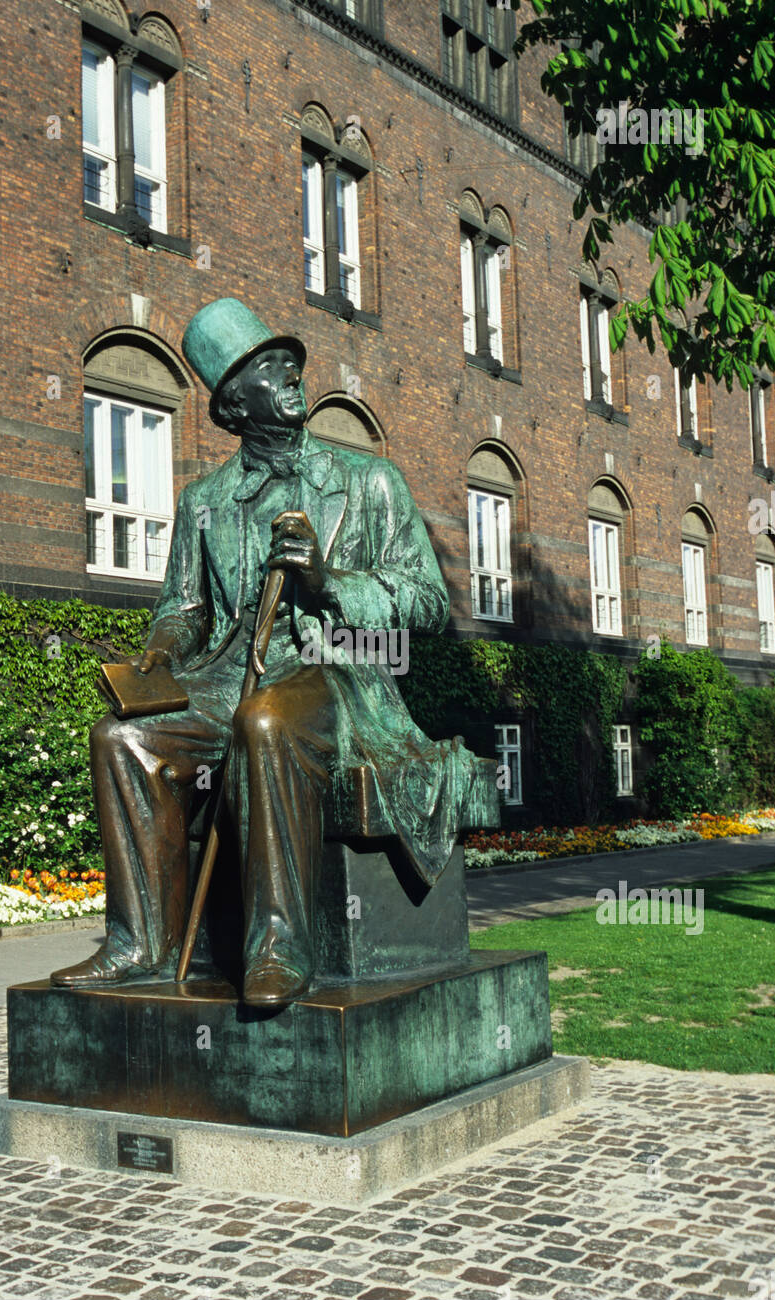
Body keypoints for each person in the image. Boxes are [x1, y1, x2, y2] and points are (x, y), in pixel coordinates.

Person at [51, 298, 491, 1006]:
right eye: (269, 367)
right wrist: (160, 654)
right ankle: (142, 947)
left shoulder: (370, 481)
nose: (292, 375)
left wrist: (330, 583)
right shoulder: (205, 502)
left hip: (336, 672)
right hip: (226, 675)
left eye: (291, 363)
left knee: (267, 721)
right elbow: (183, 608)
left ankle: (279, 944)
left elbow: (428, 602)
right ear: (231, 403)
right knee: (122, 736)